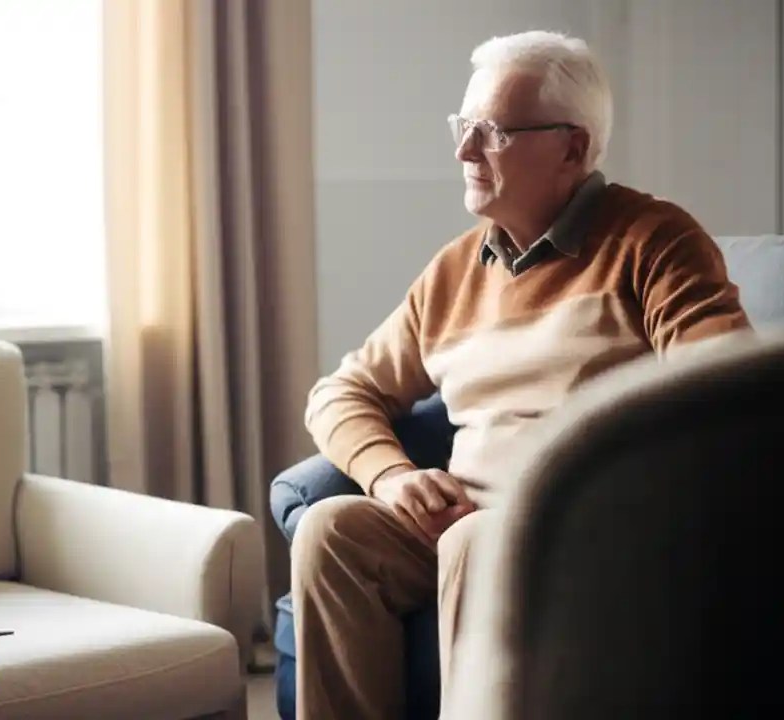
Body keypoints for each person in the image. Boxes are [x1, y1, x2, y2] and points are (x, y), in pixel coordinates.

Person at [287, 30, 749, 720]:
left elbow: (723, 388)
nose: (464, 151)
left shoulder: (654, 241)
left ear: (573, 147)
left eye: (494, 132)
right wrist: (392, 476)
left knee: (479, 539)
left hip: (593, 532)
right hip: (466, 521)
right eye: (463, 127)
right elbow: (340, 392)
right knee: (333, 529)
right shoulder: (452, 272)